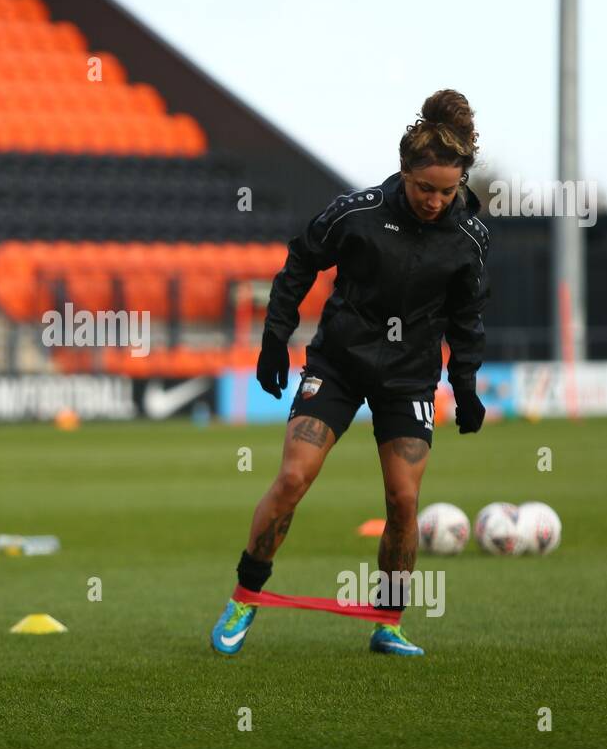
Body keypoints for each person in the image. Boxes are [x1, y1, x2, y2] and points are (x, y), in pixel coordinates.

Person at [210, 89, 489, 658]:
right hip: (338, 364)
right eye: (423, 188)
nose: (435, 201)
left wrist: (464, 386)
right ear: (403, 171)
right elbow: (299, 262)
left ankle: (388, 622)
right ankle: (244, 597)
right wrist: (273, 340)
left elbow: (467, 318)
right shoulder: (357, 213)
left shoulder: (470, 239)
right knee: (292, 480)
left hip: (409, 377)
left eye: (447, 190)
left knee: (403, 501)